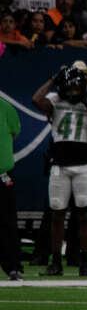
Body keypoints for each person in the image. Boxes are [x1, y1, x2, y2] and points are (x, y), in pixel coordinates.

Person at [32, 65, 87, 277]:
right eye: (69, 88)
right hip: (60, 165)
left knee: (84, 216)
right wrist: (52, 79)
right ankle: (55, 262)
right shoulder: (55, 100)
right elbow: (36, 100)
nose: (73, 92)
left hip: (83, 165)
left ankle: (84, 262)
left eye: (76, 89)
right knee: (57, 213)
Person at [0, 94, 20, 281]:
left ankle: (13, 266)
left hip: (3, 173)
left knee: (7, 221)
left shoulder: (6, 107)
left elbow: (14, 133)